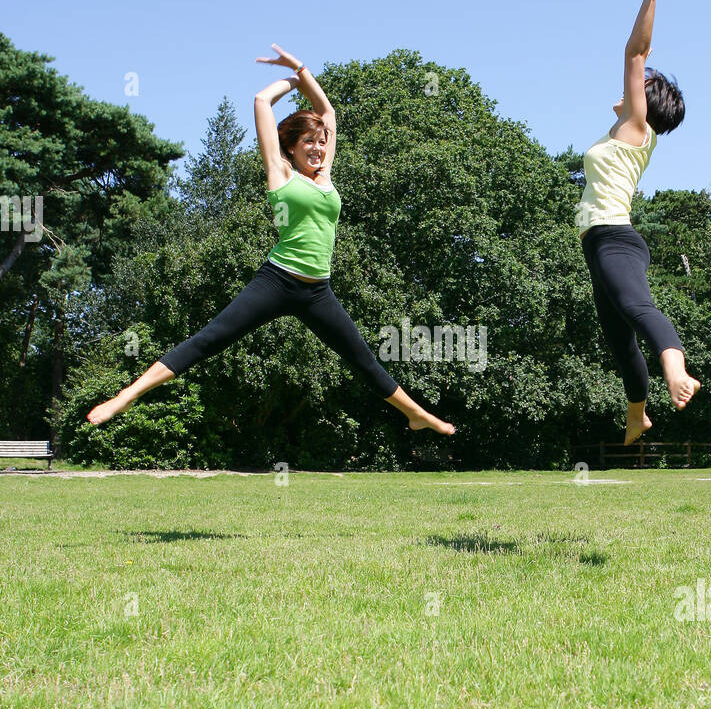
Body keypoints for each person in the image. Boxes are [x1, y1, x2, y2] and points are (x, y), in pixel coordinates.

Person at [86, 45, 456, 438]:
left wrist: (302, 68)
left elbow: (328, 113)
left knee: (361, 358)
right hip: (277, 280)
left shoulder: (325, 176)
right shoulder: (281, 173)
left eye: (321, 142)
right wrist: (290, 81)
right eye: (309, 143)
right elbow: (262, 100)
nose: (318, 149)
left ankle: (417, 415)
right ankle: (127, 395)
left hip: (318, 291)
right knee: (209, 339)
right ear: (292, 148)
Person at [577, 0, 700, 446]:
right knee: (619, 338)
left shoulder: (635, 128)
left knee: (637, 307)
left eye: (639, 90)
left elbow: (635, 53)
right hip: (601, 244)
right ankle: (637, 415)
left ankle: (675, 365)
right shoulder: (624, 133)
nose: (629, 89)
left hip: (613, 238)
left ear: (645, 104)